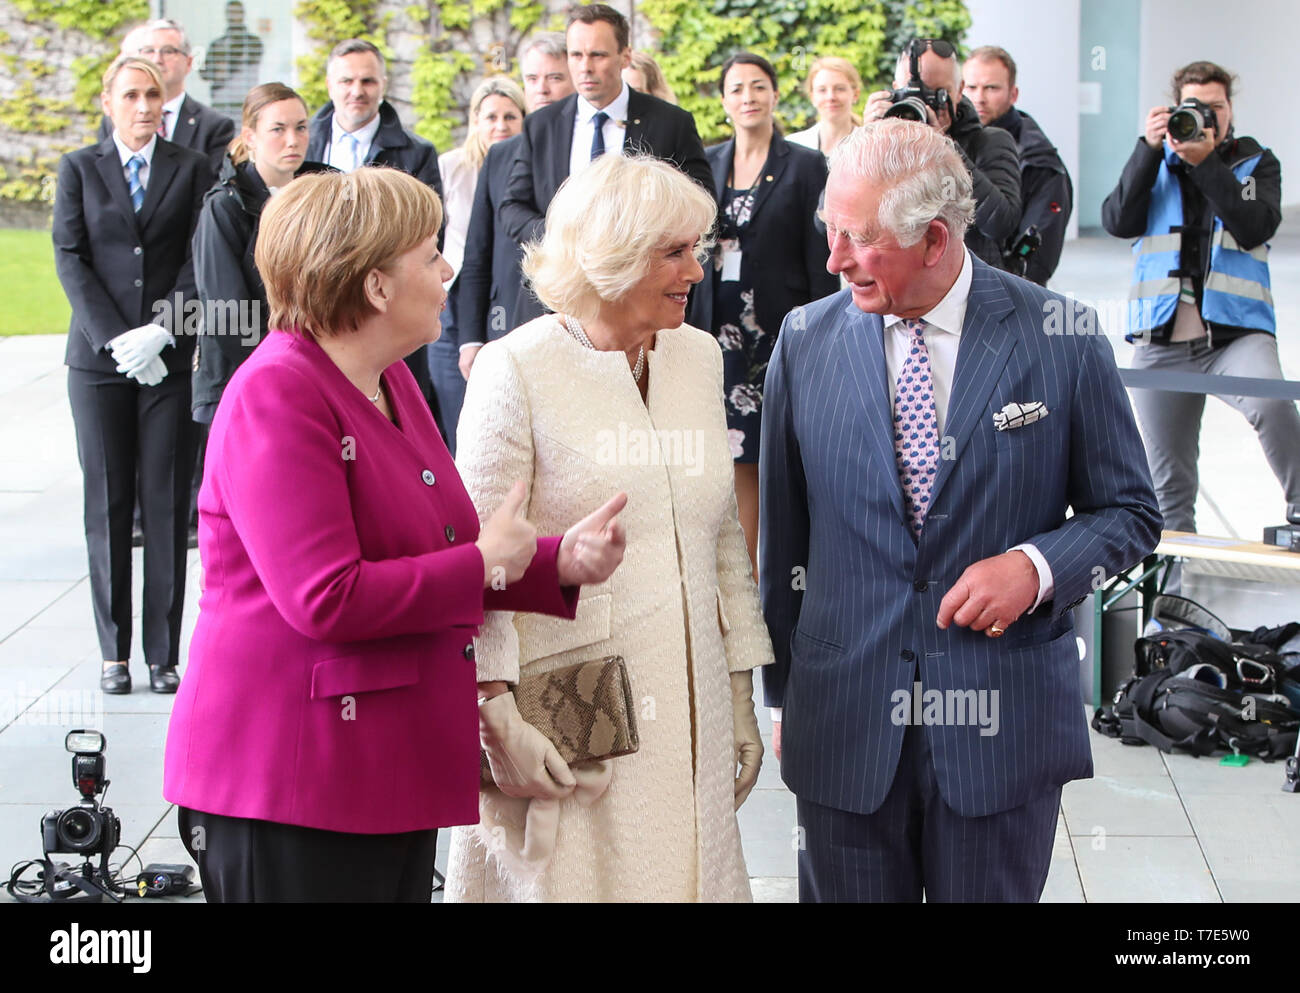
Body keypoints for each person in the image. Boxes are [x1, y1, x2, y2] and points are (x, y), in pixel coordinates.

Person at [163, 167, 629, 902]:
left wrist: (555, 562)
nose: (450, 270)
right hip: (293, 782)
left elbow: (435, 545)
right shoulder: (278, 393)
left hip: (380, 768)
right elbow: (328, 597)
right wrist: (481, 564)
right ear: (376, 286)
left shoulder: (388, 377)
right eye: (430, 255)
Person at [760, 121, 1161, 902]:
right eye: (830, 232)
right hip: (844, 727)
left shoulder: (1061, 336)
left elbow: (1130, 514)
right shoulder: (803, 342)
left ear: (935, 239)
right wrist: (781, 698)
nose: (834, 258)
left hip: (1000, 734)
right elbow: (785, 546)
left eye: (856, 238)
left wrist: (1035, 567)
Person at [445, 153, 771, 903]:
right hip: (570, 720)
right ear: (614, 258)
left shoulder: (696, 356)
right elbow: (479, 562)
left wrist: (741, 690)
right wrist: (492, 714)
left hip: (691, 709)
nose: (697, 268)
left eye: (699, 247)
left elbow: (721, 535)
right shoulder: (515, 368)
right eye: (675, 252)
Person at [54, 56, 215, 695]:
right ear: (108, 101)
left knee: (168, 504)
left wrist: (163, 330)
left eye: (153, 95)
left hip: (167, 361)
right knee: (109, 503)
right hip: (97, 365)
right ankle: (113, 652)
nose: (144, 106)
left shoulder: (192, 168)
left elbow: (196, 260)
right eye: (131, 95)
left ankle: (161, 654)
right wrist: (114, 338)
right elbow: (70, 256)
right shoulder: (78, 169)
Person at [1101, 60, 1297, 540]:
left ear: (1231, 110)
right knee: (1167, 480)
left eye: (1216, 108)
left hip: (1235, 336)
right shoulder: (1154, 162)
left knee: (1273, 406)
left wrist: (1206, 162)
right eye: (1196, 107)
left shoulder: (1254, 163)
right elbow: (1117, 220)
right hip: (1162, 341)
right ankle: (1171, 604)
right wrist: (1146, 150)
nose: (1206, 117)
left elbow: (1254, 223)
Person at [700, 53, 838, 574]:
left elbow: (821, 260)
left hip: (778, 333)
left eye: (759, 87)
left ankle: (771, 582)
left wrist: (824, 330)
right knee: (729, 462)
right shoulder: (707, 163)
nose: (749, 97)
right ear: (723, 101)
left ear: (776, 96)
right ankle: (737, 581)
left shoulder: (805, 165)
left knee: (771, 461)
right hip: (719, 334)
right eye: (737, 89)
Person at [499, 4, 713, 327]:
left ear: (625, 56)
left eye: (597, 55)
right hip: (556, 305)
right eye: (575, 55)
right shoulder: (541, 125)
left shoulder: (671, 123)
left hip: (639, 304)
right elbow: (512, 207)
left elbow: (701, 205)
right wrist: (570, 240)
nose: (585, 67)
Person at [304, 39, 446, 427]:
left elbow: (430, 239)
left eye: (368, 81)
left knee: (389, 418)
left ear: (382, 84)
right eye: (347, 80)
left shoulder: (416, 153)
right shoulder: (300, 145)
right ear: (330, 84)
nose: (357, 91)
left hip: (388, 303)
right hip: (322, 305)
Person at [191, 83, 333, 425]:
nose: (293, 140)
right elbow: (228, 312)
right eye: (277, 129)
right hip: (243, 376)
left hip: (315, 369)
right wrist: (286, 368)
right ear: (250, 137)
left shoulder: (324, 191)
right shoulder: (224, 206)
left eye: (301, 127)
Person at [456, 36, 575, 386]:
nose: (542, 89)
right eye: (532, 79)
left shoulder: (593, 146)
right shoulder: (501, 154)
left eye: (554, 77)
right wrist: (471, 338)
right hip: (508, 314)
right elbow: (478, 251)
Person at [428, 77, 525, 453]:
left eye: (510, 117)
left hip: (501, 302)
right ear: (475, 121)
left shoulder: (524, 168)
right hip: (451, 301)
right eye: (491, 117)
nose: (499, 125)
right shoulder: (451, 166)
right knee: (458, 422)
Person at [865, 39, 1021, 270]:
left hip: (966, 288)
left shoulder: (989, 142)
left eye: (937, 94)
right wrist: (866, 142)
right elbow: (829, 222)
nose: (924, 105)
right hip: (895, 286)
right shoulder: (879, 145)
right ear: (896, 89)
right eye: (913, 93)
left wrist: (945, 148)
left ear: (958, 92)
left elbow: (1000, 223)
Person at [962, 46, 1072, 286]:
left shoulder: (1039, 160)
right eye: (971, 87)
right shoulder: (953, 139)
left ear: (1013, 94)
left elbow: (1036, 262)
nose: (979, 97)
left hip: (1005, 296)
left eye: (991, 88)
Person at [98, 19, 235, 174]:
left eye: (168, 51)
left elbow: (214, 188)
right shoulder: (114, 120)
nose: (157, 60)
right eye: (149, 51)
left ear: (189, 62)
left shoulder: (214, 126)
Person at [197, 1, 264, 119]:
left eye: (236, 12)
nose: (233, 16)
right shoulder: (217, 44)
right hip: (221, 102)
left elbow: (245, 63)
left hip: (246, 103)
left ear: (243, 14)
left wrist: (224, 64)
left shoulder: (253, 43)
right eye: (231, 13)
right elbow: (205, 73)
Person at [787, 56, 862, 160]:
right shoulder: (793, 146)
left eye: (839, 89)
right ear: (812, 97)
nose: (831, 97)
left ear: (855, 94)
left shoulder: (870, 146)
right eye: (822, 90)